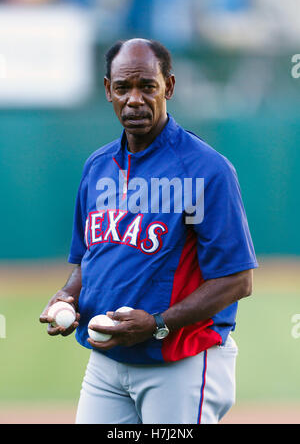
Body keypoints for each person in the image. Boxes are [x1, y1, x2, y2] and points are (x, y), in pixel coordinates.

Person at [39, 38, 258, 424]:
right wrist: (69, 296)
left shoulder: (206, 169)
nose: (134, 99)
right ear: (108, 90)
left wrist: (158, 323)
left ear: (168, 87)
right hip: (107, 360)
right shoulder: (98, 166)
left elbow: (237, 280)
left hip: (181, 360)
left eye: (147, 86)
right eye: (123, 88)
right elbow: (88, 259)